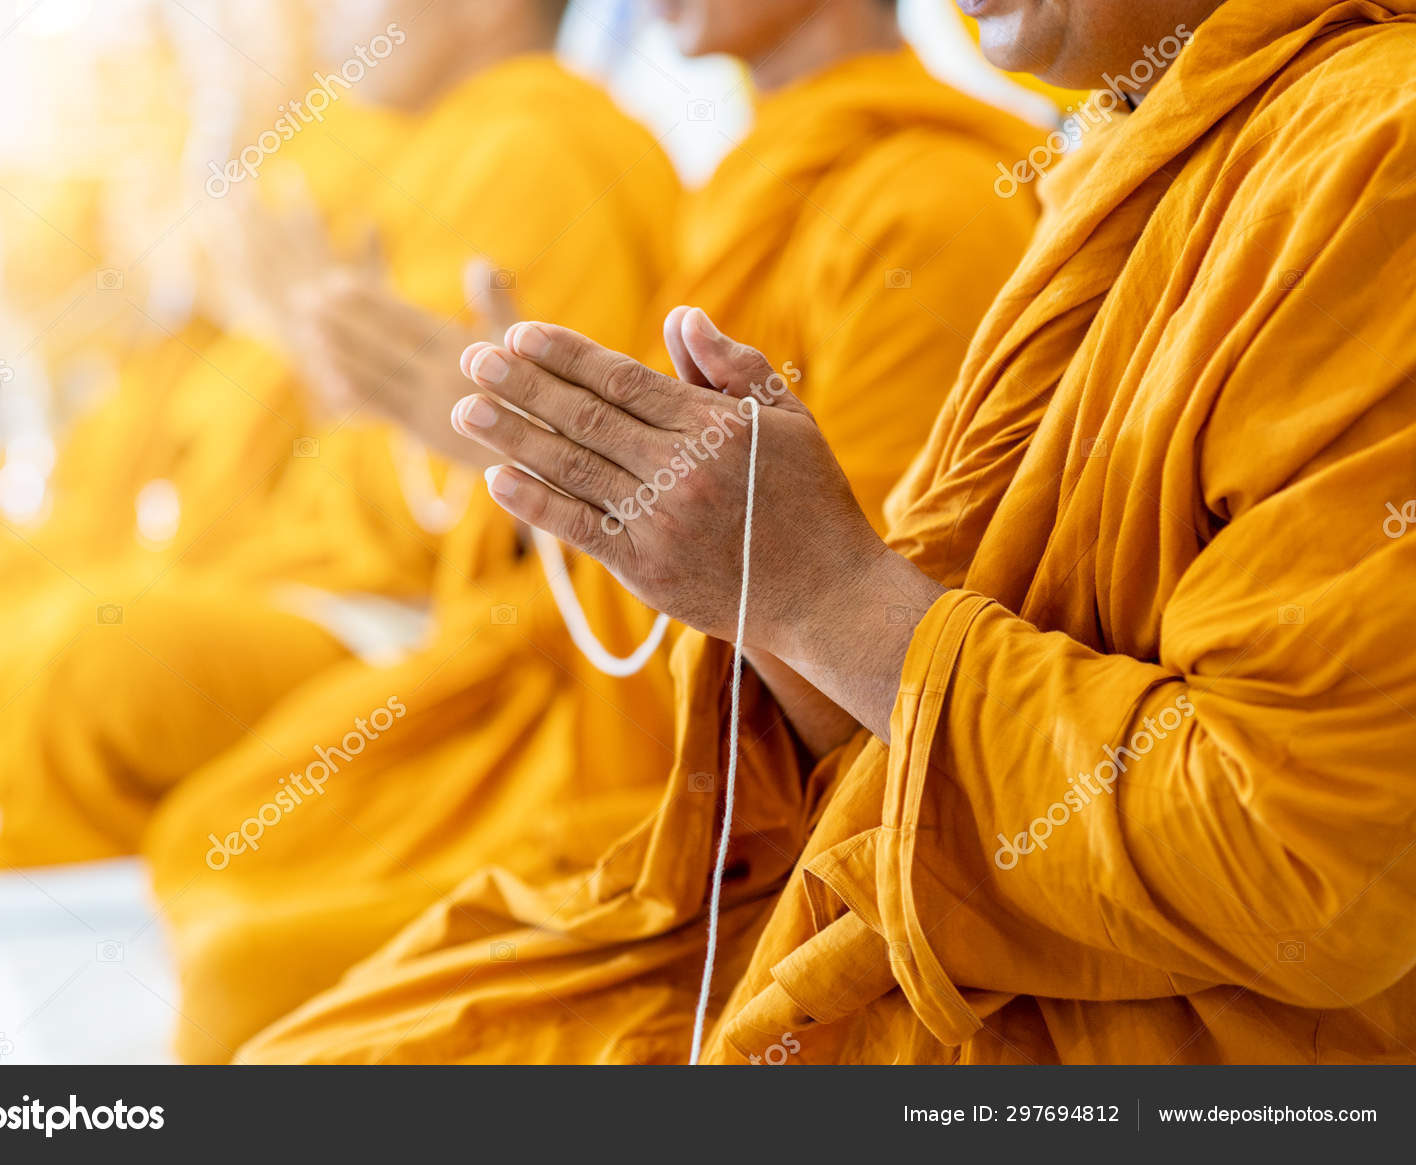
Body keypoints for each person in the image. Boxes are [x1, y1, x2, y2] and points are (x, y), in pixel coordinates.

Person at [241, 0, 1416, 1065]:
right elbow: (868, 700)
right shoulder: (1111, 159)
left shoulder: (1359, 151)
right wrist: (697, 546)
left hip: (1130, 1003)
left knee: (251, 974)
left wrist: (821, 594)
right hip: (856, 863)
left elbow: (1313, 867)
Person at [144, 0, 1044, 1063]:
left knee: (248, 972)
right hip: (619, 711)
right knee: (215, 859)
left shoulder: (927, 201)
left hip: (786, 827)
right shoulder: (740, 185)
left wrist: (527, 460)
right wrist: (504, 449)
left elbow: (877, 677)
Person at [0, 0, 679, 868]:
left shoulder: (532, 149)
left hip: (425, 628)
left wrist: (321, 364)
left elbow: (507, 509)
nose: (331, 18)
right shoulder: (431, 151)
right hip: (322, 580)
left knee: (77, 670)